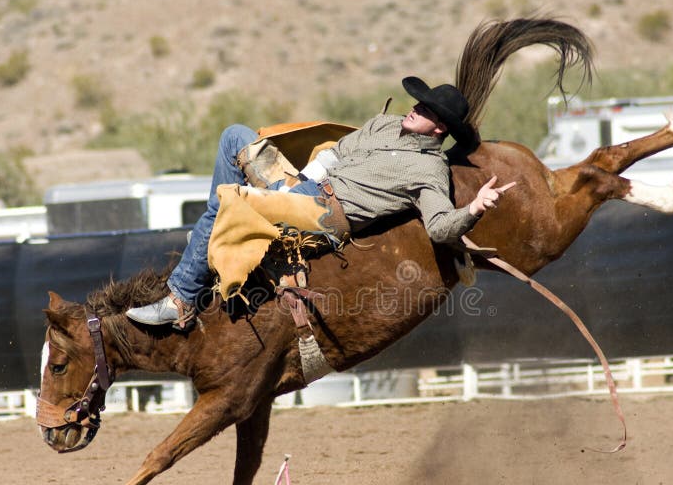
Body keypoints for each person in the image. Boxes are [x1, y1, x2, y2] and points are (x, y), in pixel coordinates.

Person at [127, 76, 515, 330]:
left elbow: (439, 226)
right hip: (306, 190)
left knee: (229, 201)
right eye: (419, 103)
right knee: (234, 136)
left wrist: (474, 209)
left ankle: (180, 299)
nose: (415, 108)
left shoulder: (429, 171)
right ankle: (218, 234)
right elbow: (339, 152)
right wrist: (297, 183)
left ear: (440, 128)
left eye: (426, 109)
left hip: (325, 217)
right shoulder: (384, 124)